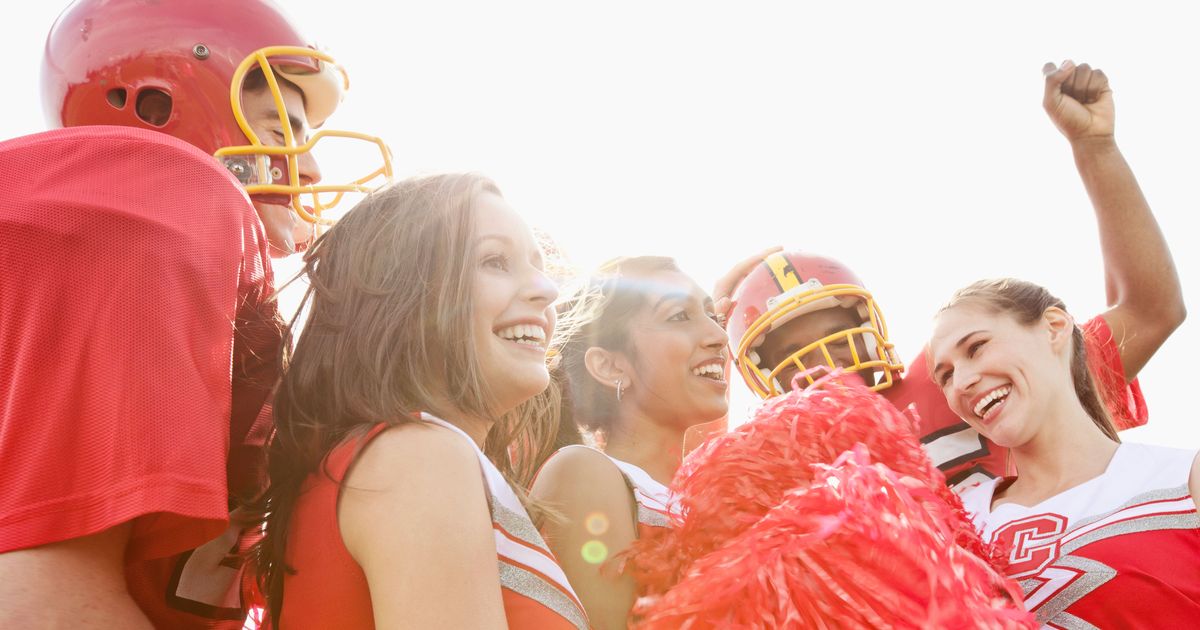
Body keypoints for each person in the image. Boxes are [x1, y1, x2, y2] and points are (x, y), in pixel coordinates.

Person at [0, 0, 388, 626]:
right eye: (278, 129)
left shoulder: (192, 251)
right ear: (155, 107)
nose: (310, 165)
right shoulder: (151, 200)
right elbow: (38, 597)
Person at [720, 60, 1185, 490]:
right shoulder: (774, 465)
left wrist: (1095, 149)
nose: (827, 366)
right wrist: (702, 357)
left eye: (837, 340)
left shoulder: (957, 377)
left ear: (870, 325)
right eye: (794, 357)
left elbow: (1150, 310)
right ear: (760, 380)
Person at [250, 174, 588, 629]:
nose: (547, 290)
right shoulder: (418, 455)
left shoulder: (400, 455)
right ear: (404, 293)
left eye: (538, 265)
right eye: (494, 261)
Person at [929, 278, 1200, 626]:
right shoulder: (953, 520)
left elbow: (1155, 306)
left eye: (977, 347)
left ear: (1054, 327)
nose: (963, 381)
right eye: (946, 376)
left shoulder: (1182, 479)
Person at [529, 256, 730, 629]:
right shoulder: (584, 473)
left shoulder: (718, 504)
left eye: (713, 317)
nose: (719, 336)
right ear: (610, 366)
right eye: (679, 316)